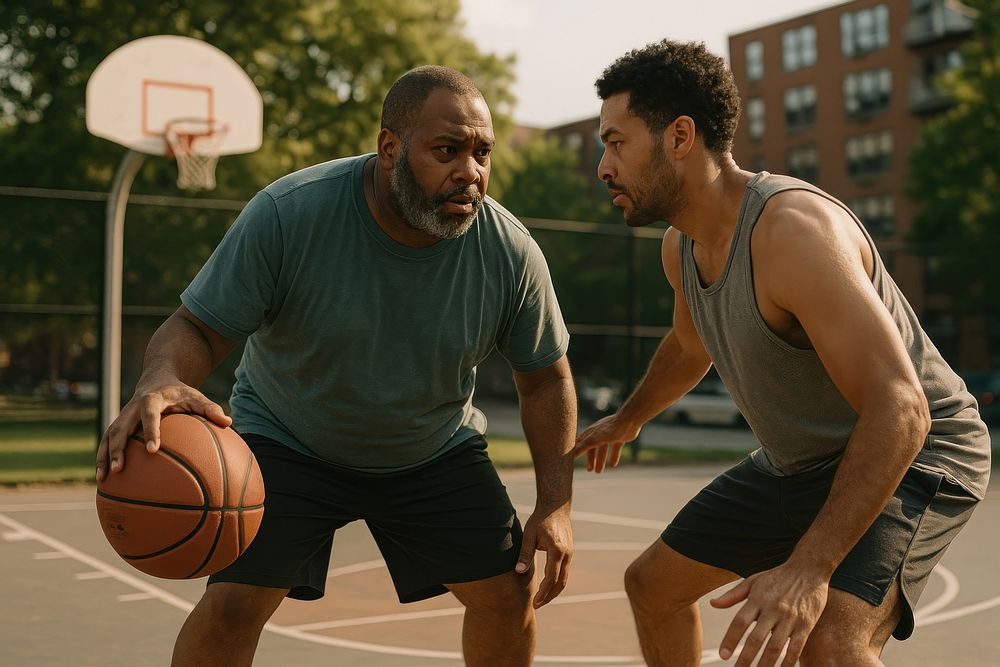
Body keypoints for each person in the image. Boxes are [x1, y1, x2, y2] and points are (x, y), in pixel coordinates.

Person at [96, 65, 576, 667]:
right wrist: (161, 378)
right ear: (390, 148)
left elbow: (546, 379)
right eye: (446, 150)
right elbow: (197, 327)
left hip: (429, 446)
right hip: (289, 437)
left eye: (482, 153)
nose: (470, 171)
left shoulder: (509, 251)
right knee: (234, 606)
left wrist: (555, 503)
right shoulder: (290, 213)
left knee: (508, 597)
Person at [574, 40, 990, 667]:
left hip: (922, 451)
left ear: (680, 136)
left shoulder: (792, 231)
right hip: (801, 462)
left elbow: (902, 409)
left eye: (616, 143)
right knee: (652, 587)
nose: (604, 168)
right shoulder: (680, 247)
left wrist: (808, 568)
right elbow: (690, 345)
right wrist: (629, 418)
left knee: (829, 642)